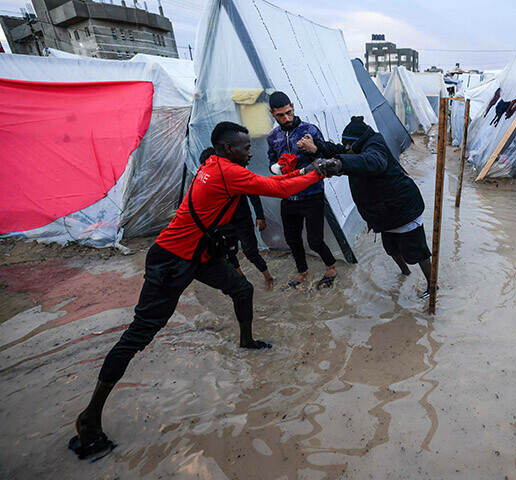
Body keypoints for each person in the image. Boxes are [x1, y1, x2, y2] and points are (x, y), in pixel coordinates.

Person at [70, 122, 326, 460]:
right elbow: (275, 189)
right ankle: (89, 419)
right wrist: (318, 173)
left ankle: (246, 341)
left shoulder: (214, 165)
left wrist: (311, 170)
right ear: (225, 148)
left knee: (242, 290)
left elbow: (272, 182)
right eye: (245, 148)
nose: (251, 153)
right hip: (172, 260)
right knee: (139, 334)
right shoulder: (226, 172)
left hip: (200, 253)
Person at [297, 116, 433, 298]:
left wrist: (339, 164)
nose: (345, 148)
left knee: (417, 251)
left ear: (359, 142)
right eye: (344, 143)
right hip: (383, 214)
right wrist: (318, 148)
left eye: (348, 144)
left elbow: (371, 161)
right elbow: (340, 150)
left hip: (402, 209)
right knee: (391, 248)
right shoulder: (357, 146)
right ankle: (405, 273)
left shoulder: (375, 147)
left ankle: (432, 286)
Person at [267, 91, 337, 289]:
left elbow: (327, 156)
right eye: (280, 115)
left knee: (315, 241)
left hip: (311, 194)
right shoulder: (273, 137)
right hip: (288, 196)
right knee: (292, 239)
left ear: (293, 106)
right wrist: (279, 168)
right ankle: (303, 273)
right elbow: (271, 162)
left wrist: (313, 149)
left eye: (288, 112)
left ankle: (331, 267)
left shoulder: (310, 130)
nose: (286, 118)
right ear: (272, 113)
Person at [199, 147, 274, 290]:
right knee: (229, 254)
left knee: (251, 252)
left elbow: (253, 193)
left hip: (242, 220)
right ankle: (243, 281)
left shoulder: (234, 174)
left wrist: (260, 216)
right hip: (225, 225)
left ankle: (268, 277)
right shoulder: (207, 181)